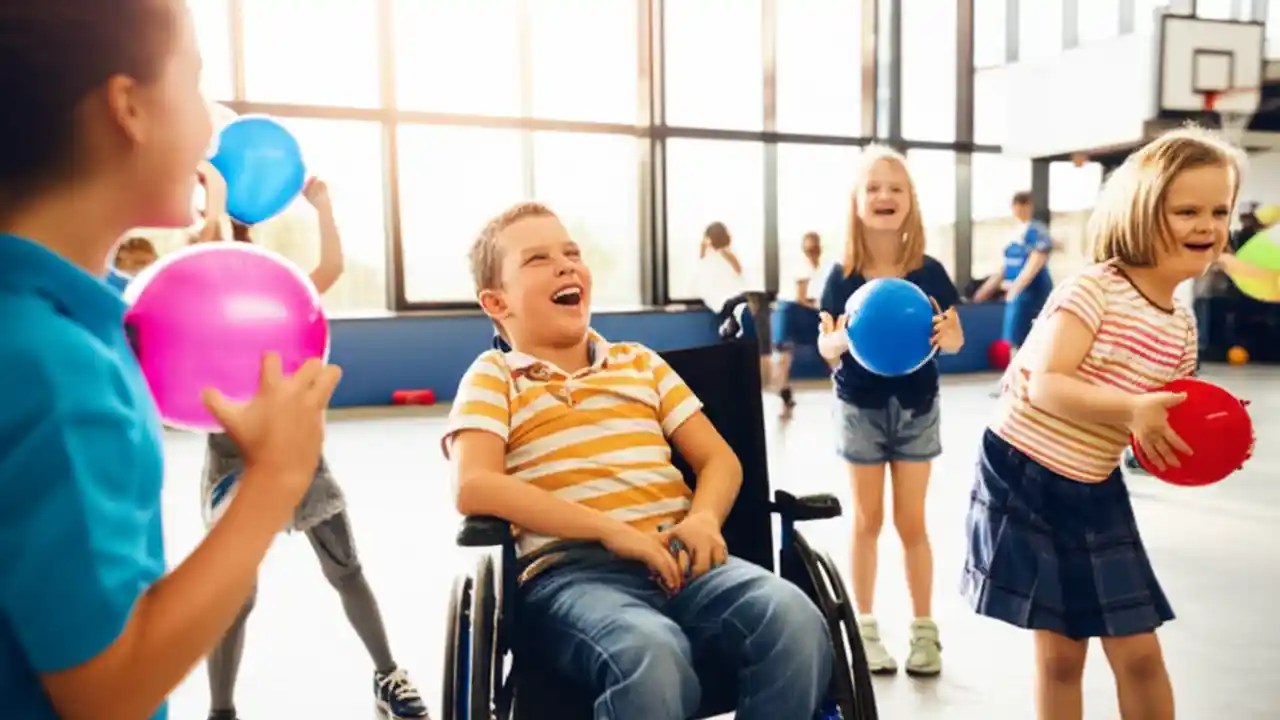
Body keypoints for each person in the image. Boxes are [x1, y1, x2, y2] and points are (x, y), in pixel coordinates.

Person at [0, 2, 341, 719]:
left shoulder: (74, 316)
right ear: (128, 107)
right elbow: (107, 692)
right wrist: (274, 480)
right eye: (194, 80)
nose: (214, 126)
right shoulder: (50, 366)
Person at [445, 201, 833, 719]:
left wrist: (703, 520)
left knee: (796, 621)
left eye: (571, 253)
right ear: (496, 302)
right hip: (572, 575)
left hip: (682, 559)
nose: (565, 265)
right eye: (537, 259)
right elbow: (474, 484)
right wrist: (610, 530)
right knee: (650, 653)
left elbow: (720, 460)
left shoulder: (639, 364)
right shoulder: (495, 376)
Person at [962, 127, 1237, 720]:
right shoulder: (1095, 290)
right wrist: (1133, 410)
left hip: (1092, 484)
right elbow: (1044, 382)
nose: (1206, 224)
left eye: (1219, 210)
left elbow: (1147, 429)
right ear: (1141, 214)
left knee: (1139, 652)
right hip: (1023, 474)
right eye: (1186, 210)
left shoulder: (1183, 330)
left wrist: (1183, 444)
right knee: (1061, 656)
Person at [193, 175, 429, 720]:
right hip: (233, 465)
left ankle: (388, 676)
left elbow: (330, 271)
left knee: (346, 569)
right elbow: (207, 247)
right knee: (235, 595)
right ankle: (220, 710)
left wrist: (323, 206)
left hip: (299, 456)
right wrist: (219, 198)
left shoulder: (278, 300)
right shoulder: (199, 308)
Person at [814, 145, 964, 677]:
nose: (884, 195)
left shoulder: (930, 272)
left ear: (911, 202)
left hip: (918, 408)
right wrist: (840, 343)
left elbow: (955, 340)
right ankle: (865, 627)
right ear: (857, 203)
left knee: (912, 522)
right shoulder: (842, 274)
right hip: (860, 408)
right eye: (873, 187)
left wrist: (948, 334)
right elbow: (826, 347)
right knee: (867, 520)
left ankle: (925, 632)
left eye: (895, 188)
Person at [692, 221, 772, 386]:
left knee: (745, 320)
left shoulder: (708, 261)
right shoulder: (727, 257)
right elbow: (740, 274)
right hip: (741, 298)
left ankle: (754, 366)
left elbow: (700, 285)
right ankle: (765, 370)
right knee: (759, 333)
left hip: (729, 301)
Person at [974, 191, 1054, 350]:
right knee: (1014, 339)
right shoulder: (1013, 233)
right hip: (1016, 295)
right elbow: (1006, 266)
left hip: (1033, 293)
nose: (1021, 210)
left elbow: (1036, 260)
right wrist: (986, 289)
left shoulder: (1037, 230)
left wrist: (1017, 286)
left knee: (1035, 338)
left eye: (1024, 205)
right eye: (1017, 205)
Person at [770, 231, 825, 419]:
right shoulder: (803, 265)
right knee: (784, 358)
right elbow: (801, 298)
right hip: (791, 311)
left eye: (815, 246)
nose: (813, 250)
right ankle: (784, 397)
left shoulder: (818, 266)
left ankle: (785, 397)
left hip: (802, 310)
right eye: (810, 247)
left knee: (786, 357)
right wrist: (819, 307)